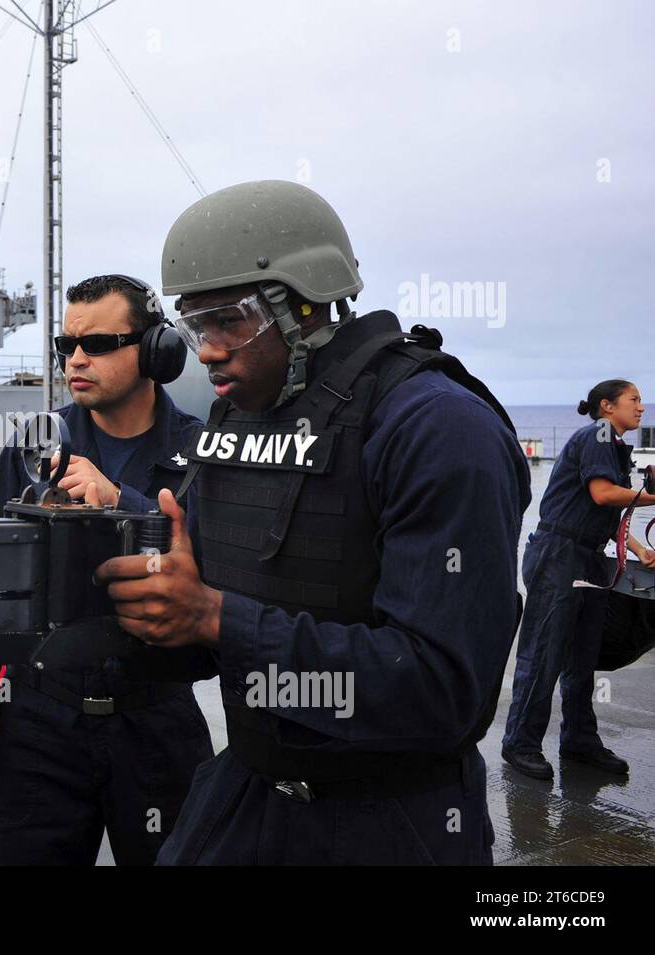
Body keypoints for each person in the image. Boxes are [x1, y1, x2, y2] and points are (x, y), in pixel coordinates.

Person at [94, 180, 532, 864]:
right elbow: (211, 616)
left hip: (391, 823)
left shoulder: (437, 427)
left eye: (227, 322)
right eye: (193, 326)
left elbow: (443, 690)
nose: (206, 351)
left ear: (303, 306)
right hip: (248, 795)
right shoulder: (241, 417)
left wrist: (215, 619)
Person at [0, 274, 215, 865]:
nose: (77, 359)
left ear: (154, 350)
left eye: (98, 345)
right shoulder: (39, 444)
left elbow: (218, 571)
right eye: (66, 347)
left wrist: (122, 503)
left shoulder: (202, 454)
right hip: (37, 720)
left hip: (155, 720)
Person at [501, 381, 655, 779]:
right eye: (633, 400)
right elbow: (604, 493)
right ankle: (520, 743)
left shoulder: (613, 442)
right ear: (607, 406)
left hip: (586, 555)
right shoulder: (598, 434)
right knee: (543, 654)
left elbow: (601, 511)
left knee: (581, 658)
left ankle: (579, 741)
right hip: (559, 555)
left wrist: (638, 549)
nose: (641, 408)